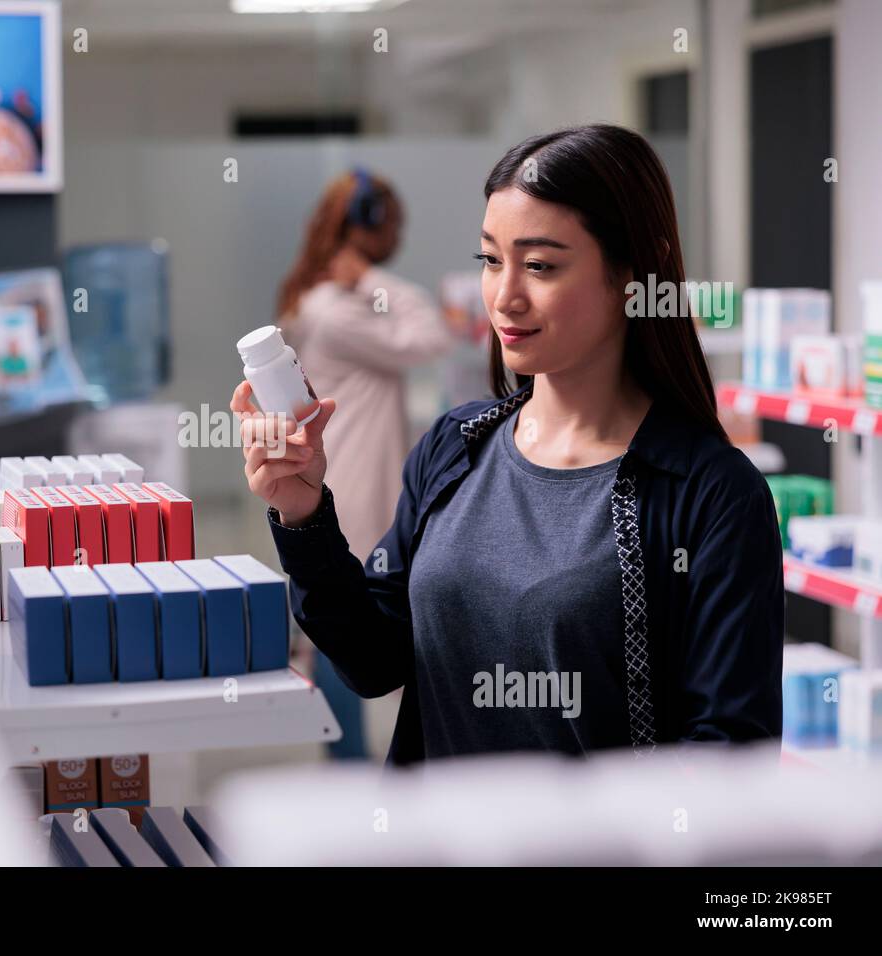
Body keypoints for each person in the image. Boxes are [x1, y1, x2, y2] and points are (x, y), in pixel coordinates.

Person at [233, 125, 783, 764]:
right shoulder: (455, 448)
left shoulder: (709, 494)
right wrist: (304, 516)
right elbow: (373, 659)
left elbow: (729, 761)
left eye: (541, 265)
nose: (504, 296)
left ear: (632, 277)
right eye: (492, 259)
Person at [274, 168, 455, 759]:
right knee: (340, 628)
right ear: (366, 226)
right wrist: (376, 278)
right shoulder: (337, 308)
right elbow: (428, 336)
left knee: (337, 622)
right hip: (349, 481)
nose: (398, 234)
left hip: (348, 472)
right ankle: (348, 764)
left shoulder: (330, 298)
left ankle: (346, 759)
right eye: (392, 223)